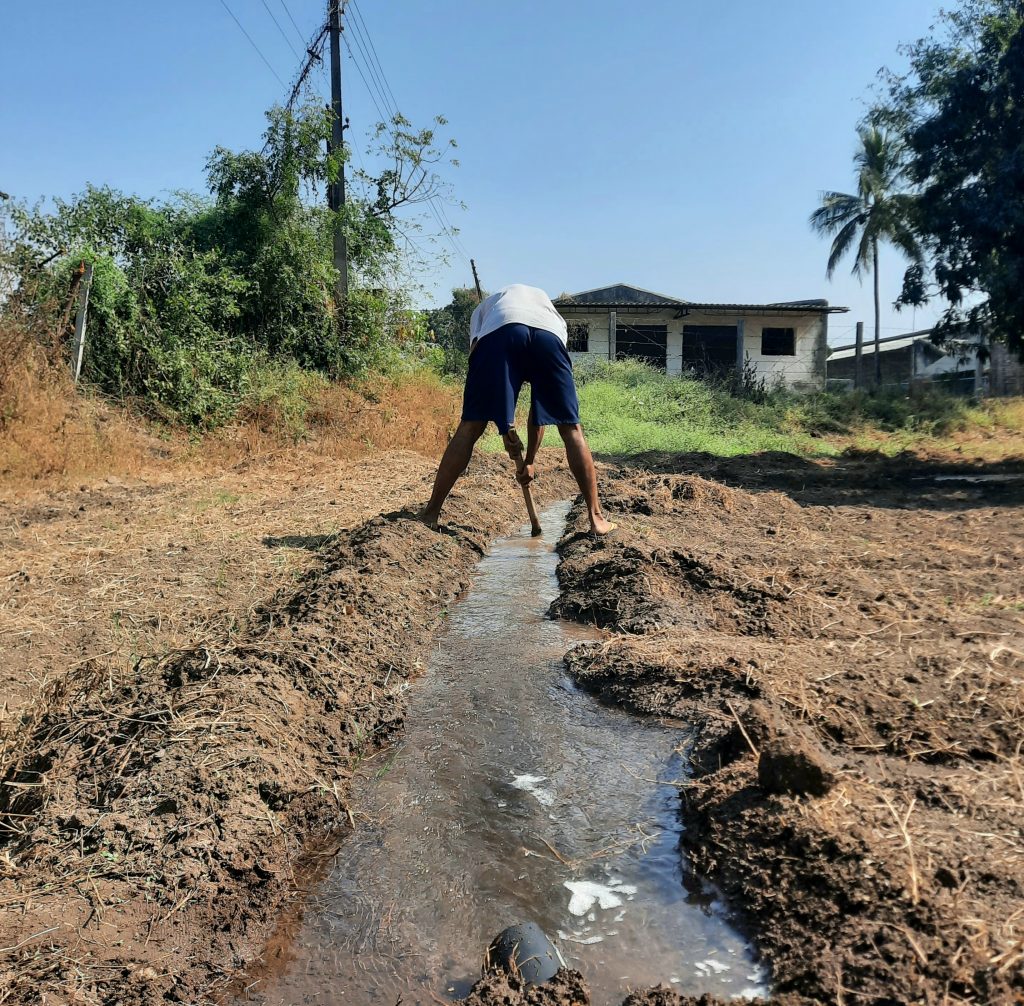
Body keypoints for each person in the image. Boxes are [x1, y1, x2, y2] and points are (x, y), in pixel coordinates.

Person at [419, 283, 615, 536]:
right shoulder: (551, 313)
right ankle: (596, 519)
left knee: (470, 426)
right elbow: (540, 406)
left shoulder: (484, 312)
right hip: (549, 336)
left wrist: (513, 438)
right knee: (571, 429)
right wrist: (518, 446)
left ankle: (431, 513)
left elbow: (487, 376)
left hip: (500, 333)